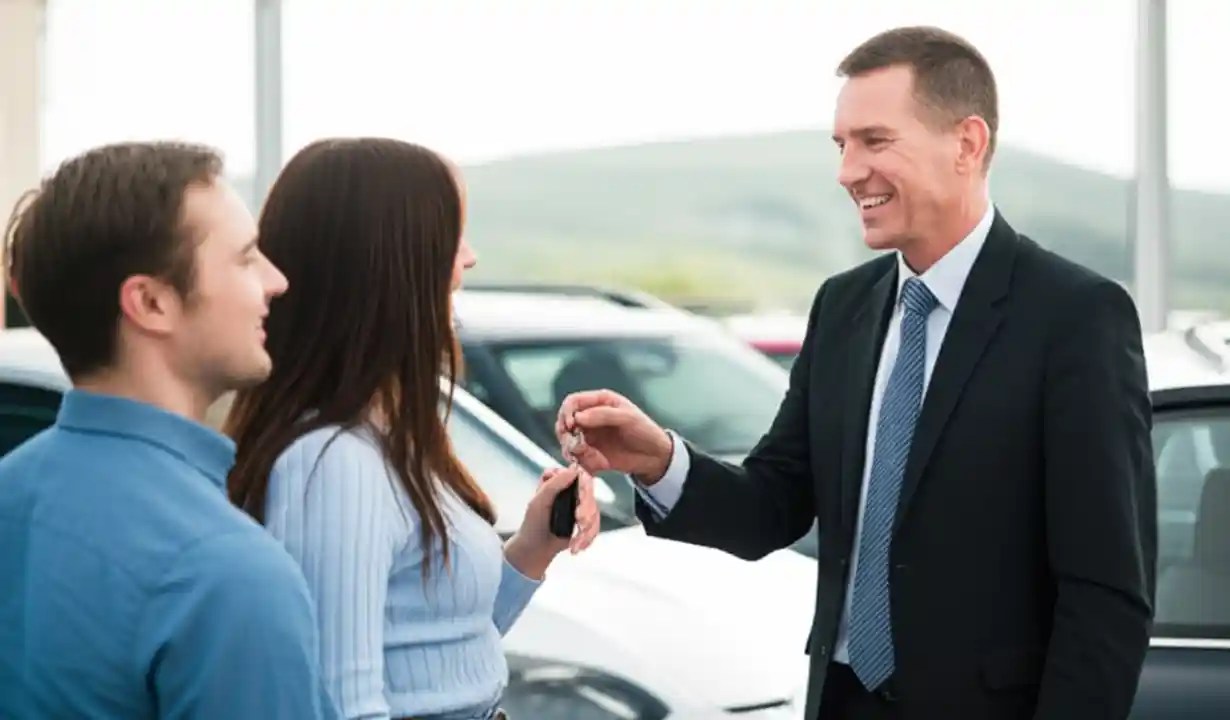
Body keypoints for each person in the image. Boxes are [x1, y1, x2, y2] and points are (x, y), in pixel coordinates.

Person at [557, 26, 1156, 720]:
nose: (847, 171)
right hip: (841, 703)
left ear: (967, 143)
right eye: (841, 146)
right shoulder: (844, 306)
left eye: (875, 141)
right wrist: (659, 460)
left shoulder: (1076, 316)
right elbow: (773, 503)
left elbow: (1106, 593)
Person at [223, 137, 601, 720]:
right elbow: (341, 706)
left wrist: (532, 548)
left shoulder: (385, 438)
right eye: (452, 234)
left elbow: (441, 654)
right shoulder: (334, 461)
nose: (469, 258)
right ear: (394, 261)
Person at [0, 142, 334, 718]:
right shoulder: (226, 571)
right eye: (246, 257)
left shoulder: (11, 491)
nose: (275, 281)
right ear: (152, 302)